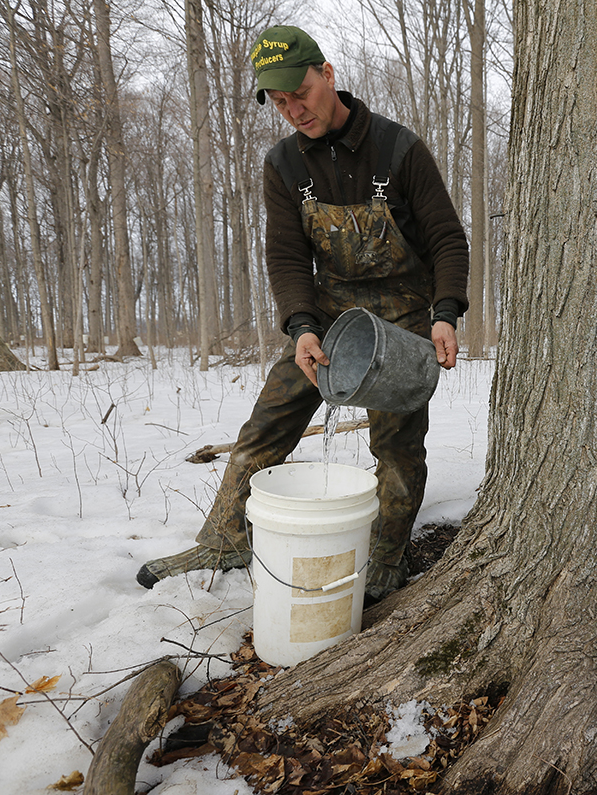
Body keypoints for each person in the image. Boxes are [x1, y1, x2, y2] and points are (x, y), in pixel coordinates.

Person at [137, 25, 469, 604]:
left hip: (406, 319)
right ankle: (226, 538)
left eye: (302, 94)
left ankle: (387, 558)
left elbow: (447, 240)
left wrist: (445, 313)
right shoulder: (284, 166)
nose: (295, 111)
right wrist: (303, 326)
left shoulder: (398, 150)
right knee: (267, 422)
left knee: (395, 445)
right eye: (281, 103)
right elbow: (288, 256)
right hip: (331, 315)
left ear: (328, 75)